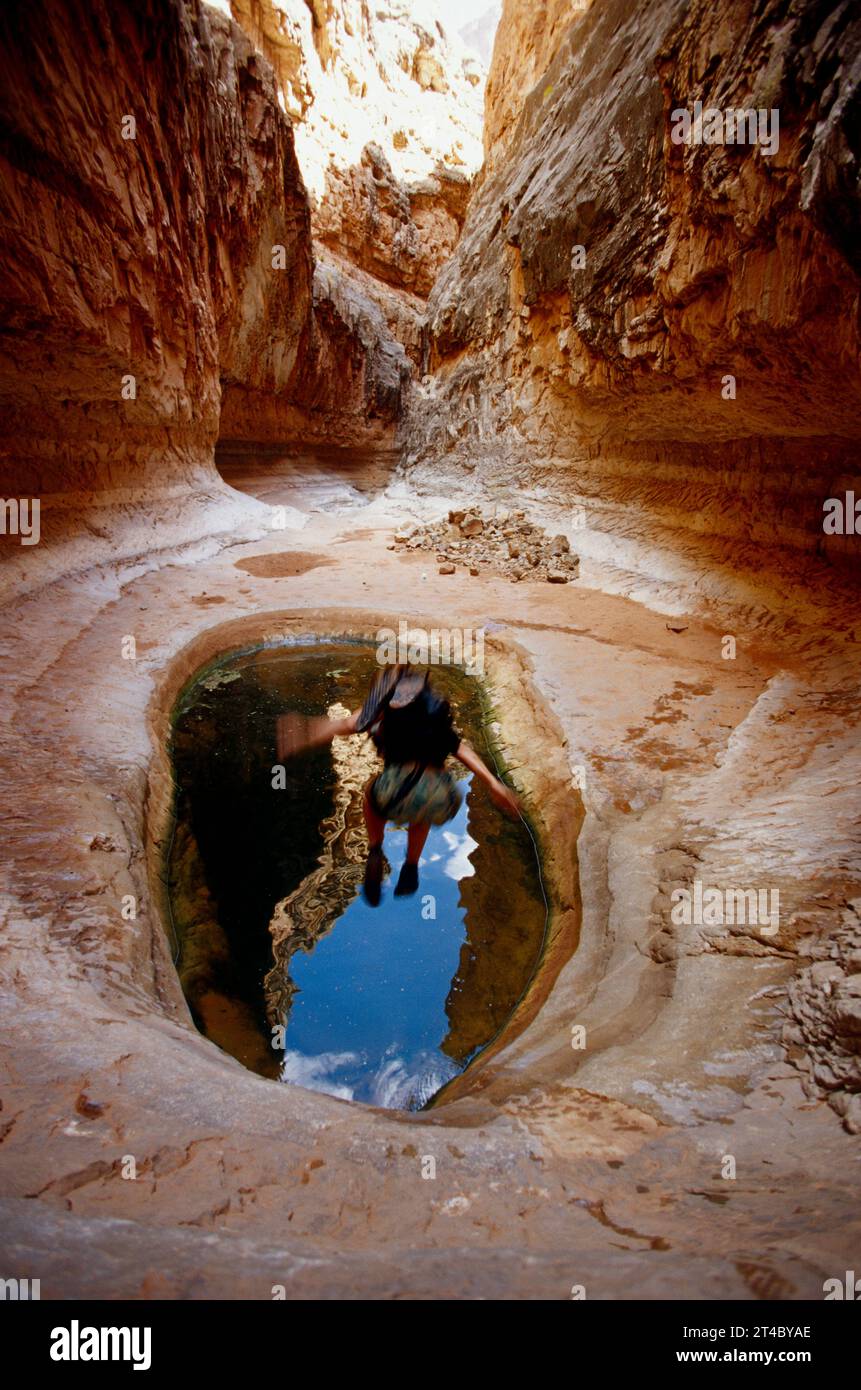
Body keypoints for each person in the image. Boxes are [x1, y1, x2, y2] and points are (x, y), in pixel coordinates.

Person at [276, 663, 520, 905]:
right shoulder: (433, 711)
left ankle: (374, 848)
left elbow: (345, 725)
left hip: (395, 794)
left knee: (372, 793)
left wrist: (305, 733)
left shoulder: (380, 713)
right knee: (420, 810)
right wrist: (493, 784)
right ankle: (412, 864)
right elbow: (461, 750)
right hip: (442, 799)